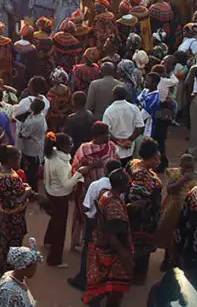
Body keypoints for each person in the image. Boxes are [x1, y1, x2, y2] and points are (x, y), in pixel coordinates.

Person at [84, 168, 133, 306]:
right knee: (113, 289)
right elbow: (113, 233)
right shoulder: (114, 205)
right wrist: (123, 253)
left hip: (102, 246)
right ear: (122, 184)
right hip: (113, 252)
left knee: (102, 284)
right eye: (128, 182)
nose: (129, 185)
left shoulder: (106, 195)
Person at [70, 121, 117, 251]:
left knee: (100, 217)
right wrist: (92, 166)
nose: (108, 137)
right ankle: (77, 243)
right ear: (98, 136)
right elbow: (76, 169)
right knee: (83, 216)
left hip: (105, 189)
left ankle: (94, 242)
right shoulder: (84, 149)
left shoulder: (111, 146)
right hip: (87, 189)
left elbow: (116, 162)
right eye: (106, 134)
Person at [126, 137, 163, 284]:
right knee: (141, 250)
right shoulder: (143, 175)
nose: (158, 162)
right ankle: (137, 277)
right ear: (150, 158)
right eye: (156, 159)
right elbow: (135, 197)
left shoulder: (133, 164)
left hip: (138, 219)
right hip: (143, 221)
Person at [42, 132, 82, 267]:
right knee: (60, 226)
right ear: (63, 146)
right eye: (69, 144)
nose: (72, 146)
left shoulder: (51, 154)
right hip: (60, 195)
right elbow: (67, 184)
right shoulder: (61, 163)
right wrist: (79, 173)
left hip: (51, 191)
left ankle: (48, 241)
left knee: (54, 219)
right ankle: (54, 259)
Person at [0, 145, 36, 274]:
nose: (19, 162)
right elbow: (18, 198)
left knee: (4, 242)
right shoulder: (9, 178)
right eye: (17, 159)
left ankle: (3, 267)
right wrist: (27, 190)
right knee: (14, 243)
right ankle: (11, 270)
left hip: (4, 212)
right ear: (9, 160)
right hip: (14, 216)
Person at [0, 242, 42, 307]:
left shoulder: (12, 275)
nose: (35, 271)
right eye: (33, 268)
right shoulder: (9, 291)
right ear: (23, 267)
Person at [101, 85, 144, 166]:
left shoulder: (109, 111)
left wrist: (118, 142)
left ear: (113, 95)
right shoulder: (134, 108)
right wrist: (130, 140)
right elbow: (140, 127)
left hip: (114, 150)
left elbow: (105, 130)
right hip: (129, 149)